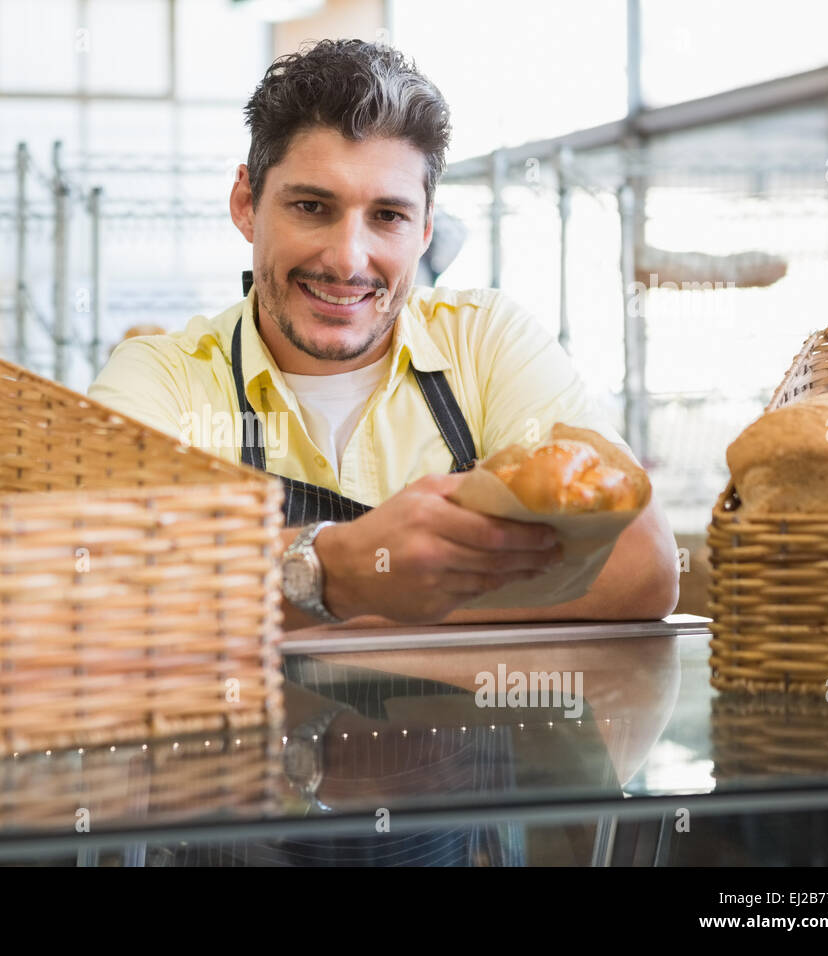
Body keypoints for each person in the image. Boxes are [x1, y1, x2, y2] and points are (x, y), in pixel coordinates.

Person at [88, 39, 678, 631]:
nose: (348, 260)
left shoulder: (486, 344)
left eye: (387, 216)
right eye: (313, 206)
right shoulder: (162, 378)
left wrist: (271, 593)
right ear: (247, 203)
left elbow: (640, 566)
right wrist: (346, 572)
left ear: (424, 228)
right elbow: (93, 581)